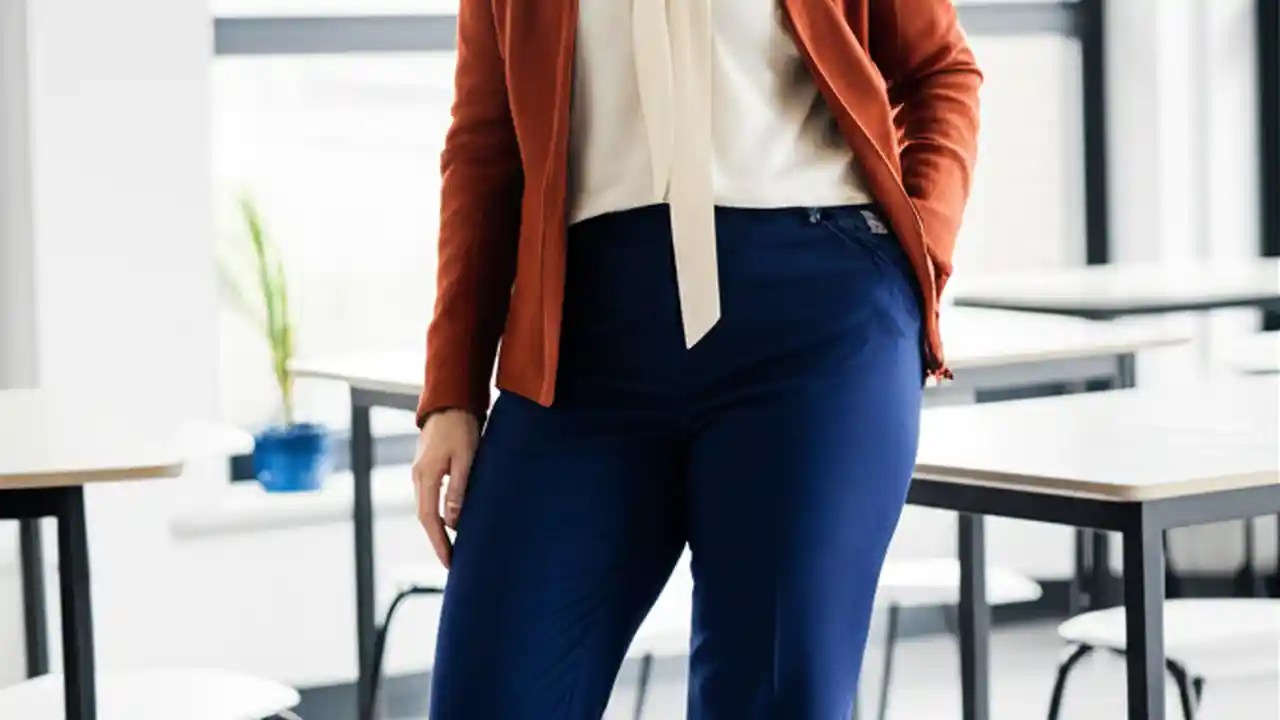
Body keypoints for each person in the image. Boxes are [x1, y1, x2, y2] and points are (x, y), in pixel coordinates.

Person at [411, 0, 981, 716]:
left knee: (776, 698)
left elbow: (940, 71)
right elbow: (484, 145)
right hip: (584, 339)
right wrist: (452, 390)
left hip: (815, 325)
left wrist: (914, 255)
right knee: (490, 695)